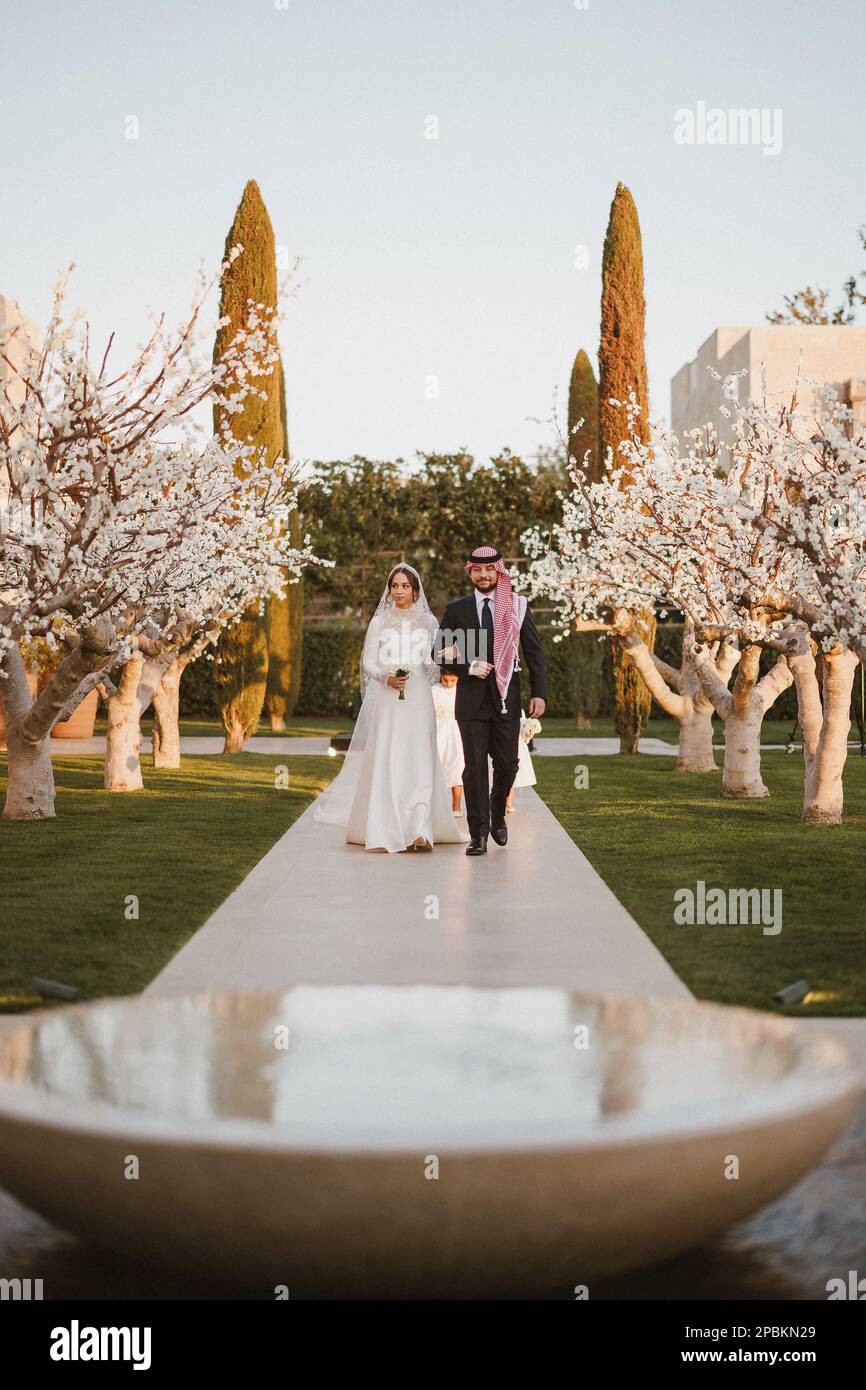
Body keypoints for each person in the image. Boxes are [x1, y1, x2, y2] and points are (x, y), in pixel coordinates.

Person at [314, 563, 469, 853]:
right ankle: (388, 824)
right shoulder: (380, 622)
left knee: (420, 755)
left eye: (404, 586)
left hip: (421, 696)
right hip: (389, 697)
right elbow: (367, 662)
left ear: (415, 590)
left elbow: (436, 662)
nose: (398, 591)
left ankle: (420, 826)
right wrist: (386, 678)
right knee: (391, 754)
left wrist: (452, 655)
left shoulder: (430, 622)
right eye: (394, 585)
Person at [437, 544, 547, 856]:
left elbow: (534, 652)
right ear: (469, 571)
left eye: (489, 570)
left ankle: (497, 812)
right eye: (477, 570)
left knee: (508, 764)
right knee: (473, 769)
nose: (484, 575)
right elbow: (438, 651)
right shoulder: (457, 610)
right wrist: (467, 666)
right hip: (470, 701)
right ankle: (479, 833)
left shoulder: (517, 606)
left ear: (498, 571)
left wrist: (540, 692)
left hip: (506, 700)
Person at [432, 672, 465, 814]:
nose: (449, 684)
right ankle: (434, 806)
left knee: (456, 767)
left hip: (455, 732)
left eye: (453, 680)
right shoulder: (434, 690)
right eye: (446, 680)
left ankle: (456, 807)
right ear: (441, 676)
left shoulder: (461, 690)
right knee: (436, 764)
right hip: (438, 731)